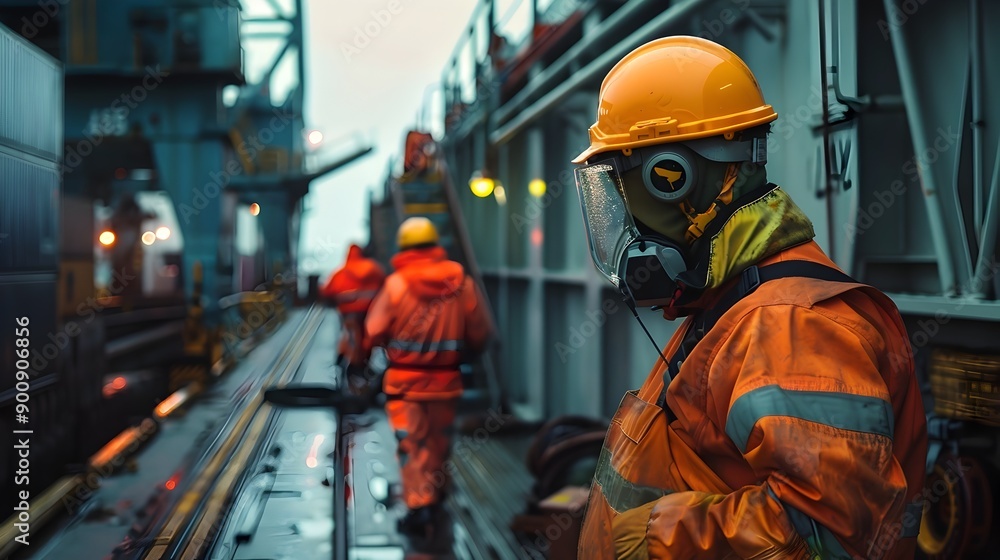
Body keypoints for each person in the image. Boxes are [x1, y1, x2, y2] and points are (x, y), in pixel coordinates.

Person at [571, 36, 927, 559]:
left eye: (625, 191)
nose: (623, 220)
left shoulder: (790, 326)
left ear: (673, 179)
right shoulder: (735, 303)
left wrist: (653, 539)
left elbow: (826, 536)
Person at [364, 217, 492, 535]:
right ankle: (435, 499)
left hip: (405, 386)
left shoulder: (396, 284)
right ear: (435, 245)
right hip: (446, 384)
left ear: (404, 247)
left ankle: (421, 508)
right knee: (438, 444)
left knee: (412, 447)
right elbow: (481, 333)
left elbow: (373, 331)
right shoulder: (461, 282)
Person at [321, 243, 386, 397]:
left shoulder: (340, 273)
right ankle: (363, 366)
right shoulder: (375, 269)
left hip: (349, 314)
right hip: (370, 312)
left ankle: (353, 367)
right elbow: (386, 286)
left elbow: (327, 291)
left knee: (352, 338)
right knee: (367, 338)